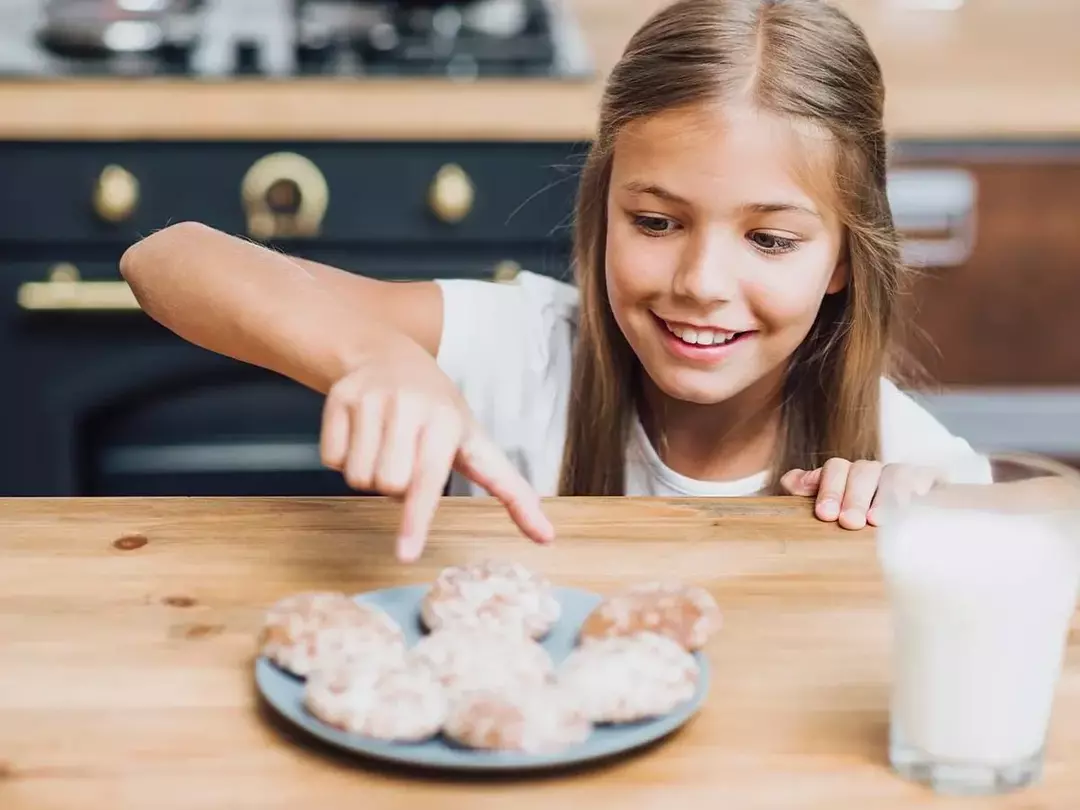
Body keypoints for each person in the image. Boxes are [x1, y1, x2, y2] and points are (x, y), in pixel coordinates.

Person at [120, 0, 986, 562]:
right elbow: (166, 259)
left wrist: (937, 522)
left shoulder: (910, 460)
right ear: (602, 207)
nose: (700, 283)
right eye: (655, 222)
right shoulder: (518, 349)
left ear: (843, 257)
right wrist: (375, 356)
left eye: (768, 239)